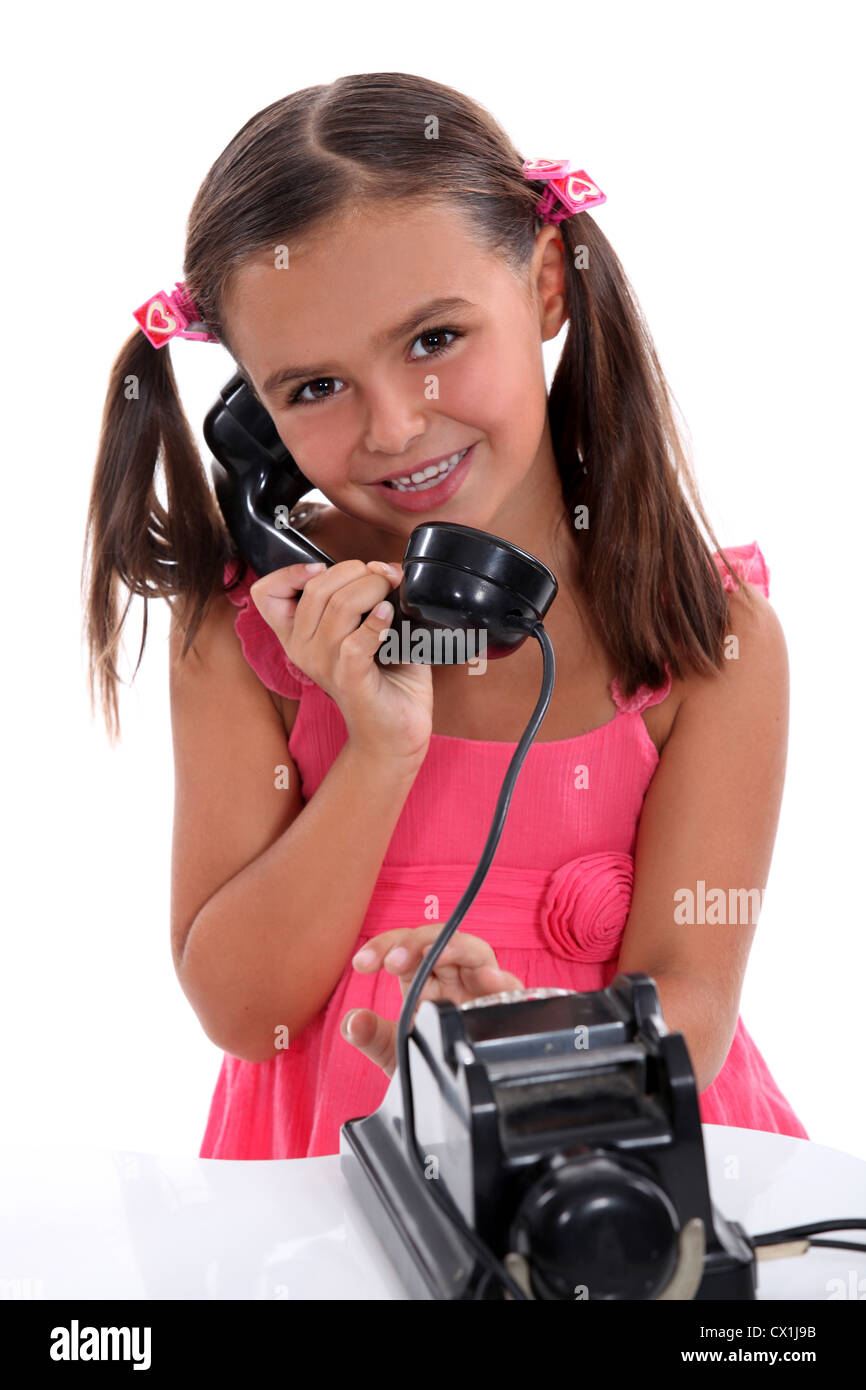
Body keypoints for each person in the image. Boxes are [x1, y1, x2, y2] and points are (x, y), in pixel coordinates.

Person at [82, 72, 808, 1159]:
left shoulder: (706, 640)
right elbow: (243, 1010)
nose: (391, 426)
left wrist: (525, 1050)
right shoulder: (248, 639)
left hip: (614, 1171)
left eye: (432, 340)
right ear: (255, 417)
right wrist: (376, 748)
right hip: (327, 1201)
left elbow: (690, 1005)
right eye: (312, 388)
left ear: (547, 285)